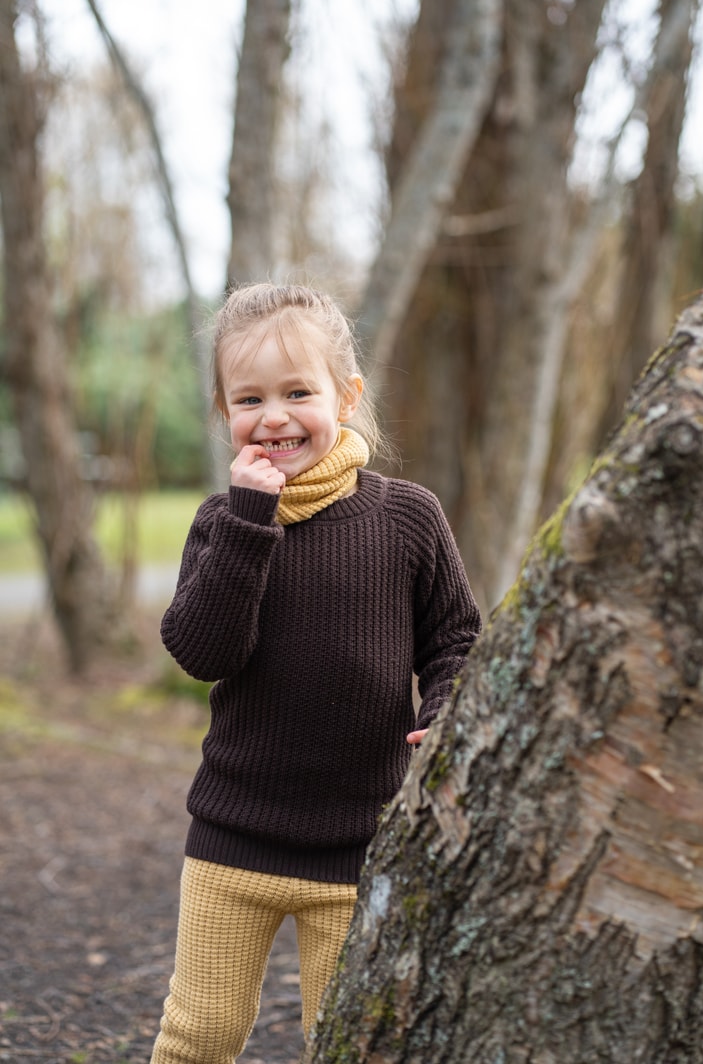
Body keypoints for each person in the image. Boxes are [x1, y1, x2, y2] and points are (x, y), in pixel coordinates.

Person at [150, 282, 481, 1063]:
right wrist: (246, 526)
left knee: (348, 1043)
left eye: (299, 392)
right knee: (201, 1033)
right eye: (249, 398)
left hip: (363, 843)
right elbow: (202, 653)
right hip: (234, 836)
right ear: (223, 413)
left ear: (348, 395)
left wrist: (445, 710)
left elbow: (456, 638)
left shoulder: (408, 517)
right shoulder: (221, 523)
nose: (274, 417)